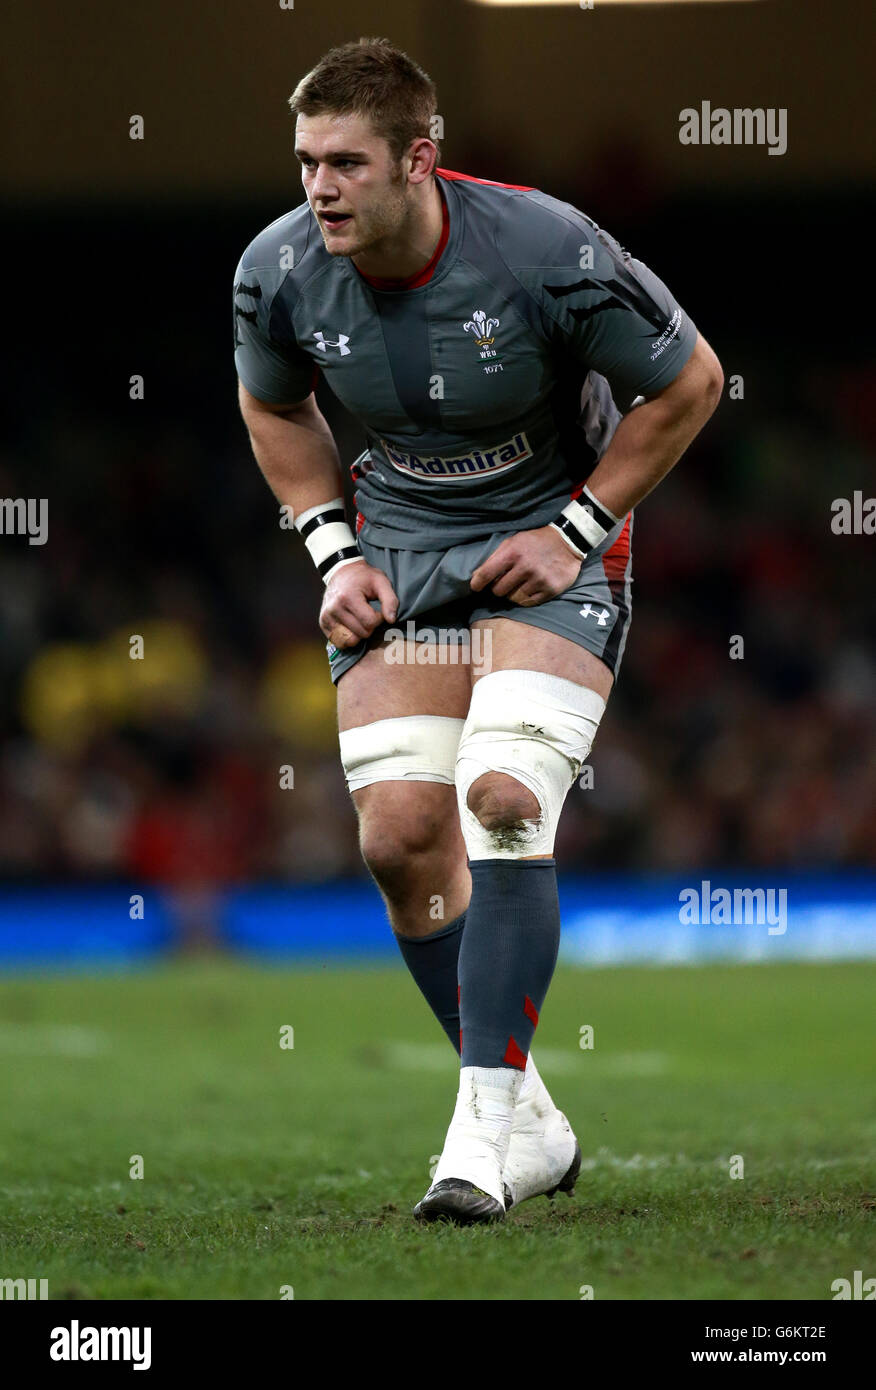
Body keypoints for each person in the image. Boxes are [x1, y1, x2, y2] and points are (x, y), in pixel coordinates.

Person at [234, 37, 723, 1224]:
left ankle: (479, 1135)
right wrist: (331, 549)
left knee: (502, 793)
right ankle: (536, 1123)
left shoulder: (548, 250)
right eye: (306, 162)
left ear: (420, 160)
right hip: (401, 549)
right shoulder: (280, 267)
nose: (320, 189)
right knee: (403, 838)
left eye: (346, 162)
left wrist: (579, 524)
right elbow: (272, 399)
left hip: (549, 545)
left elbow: (693, 380)